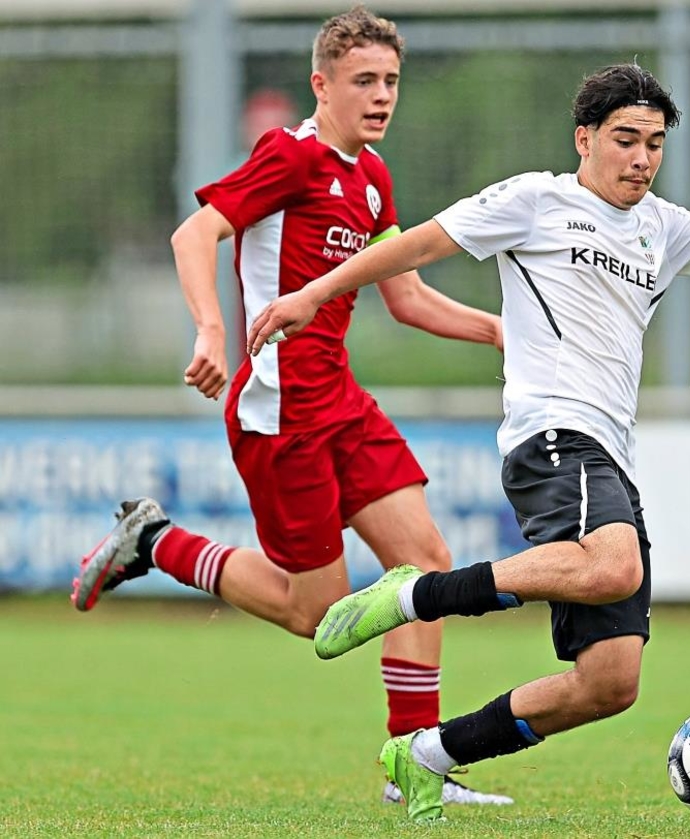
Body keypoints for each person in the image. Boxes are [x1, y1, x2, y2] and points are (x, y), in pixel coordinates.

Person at [245, 63, 690, 822]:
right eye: (625, 139)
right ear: (584, 138)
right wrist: (316, 292)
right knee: (613, 565)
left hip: (610, 451)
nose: (641, 158)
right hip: (552, 432)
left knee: (609, 682)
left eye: (653, 143)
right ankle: (414, 593)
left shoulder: (661, 227)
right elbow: (416, 247)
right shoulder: (534, 201)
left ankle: (426, 754)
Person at [71, 5, 513, 808]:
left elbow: (406, 298)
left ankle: (415, 764)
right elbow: (193, 235)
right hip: (280, 410)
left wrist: (497, 331)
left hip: (339, 400)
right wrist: (212, 330)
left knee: (428, 565)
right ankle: (157, 542)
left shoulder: (372, 176)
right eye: (364, 82)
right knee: (316, 613)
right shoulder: (291, 157)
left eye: (391, 82)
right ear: (322, 85)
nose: (381, 96)